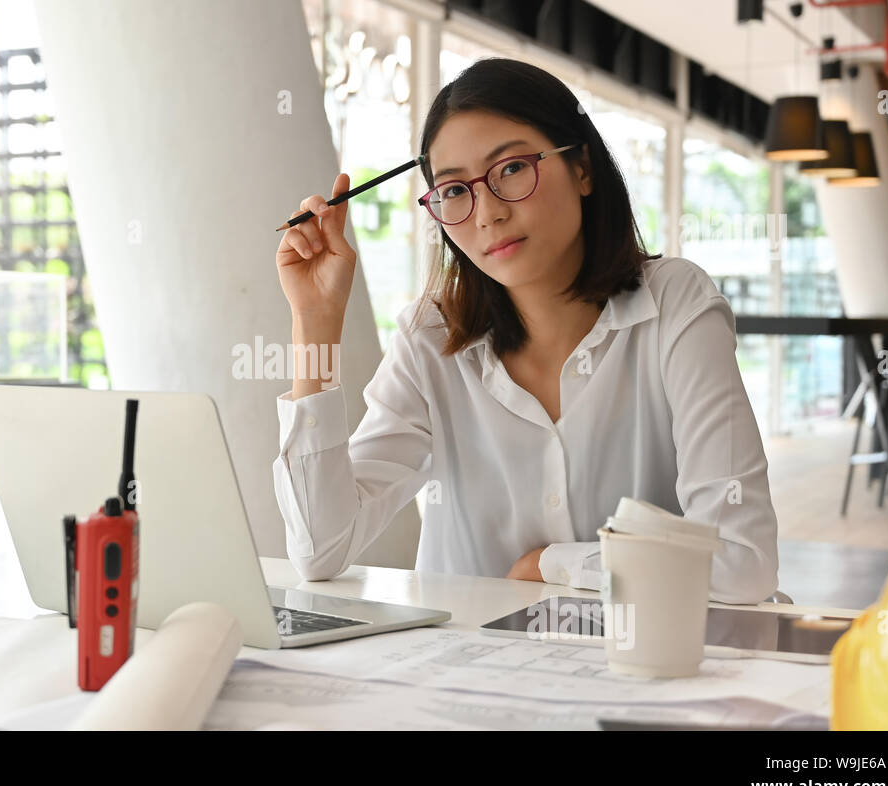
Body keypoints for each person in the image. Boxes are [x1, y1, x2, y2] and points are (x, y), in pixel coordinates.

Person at [271, 57, 778, 605]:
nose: (486, 213)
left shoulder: (674, 305)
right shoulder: (431, 338)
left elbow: (740, 563)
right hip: (469, 677)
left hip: (634, 670)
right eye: (455, 191)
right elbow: (320, 549)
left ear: (582, 167)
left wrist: (553, 565)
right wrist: (315, 322)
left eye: (511, 169)